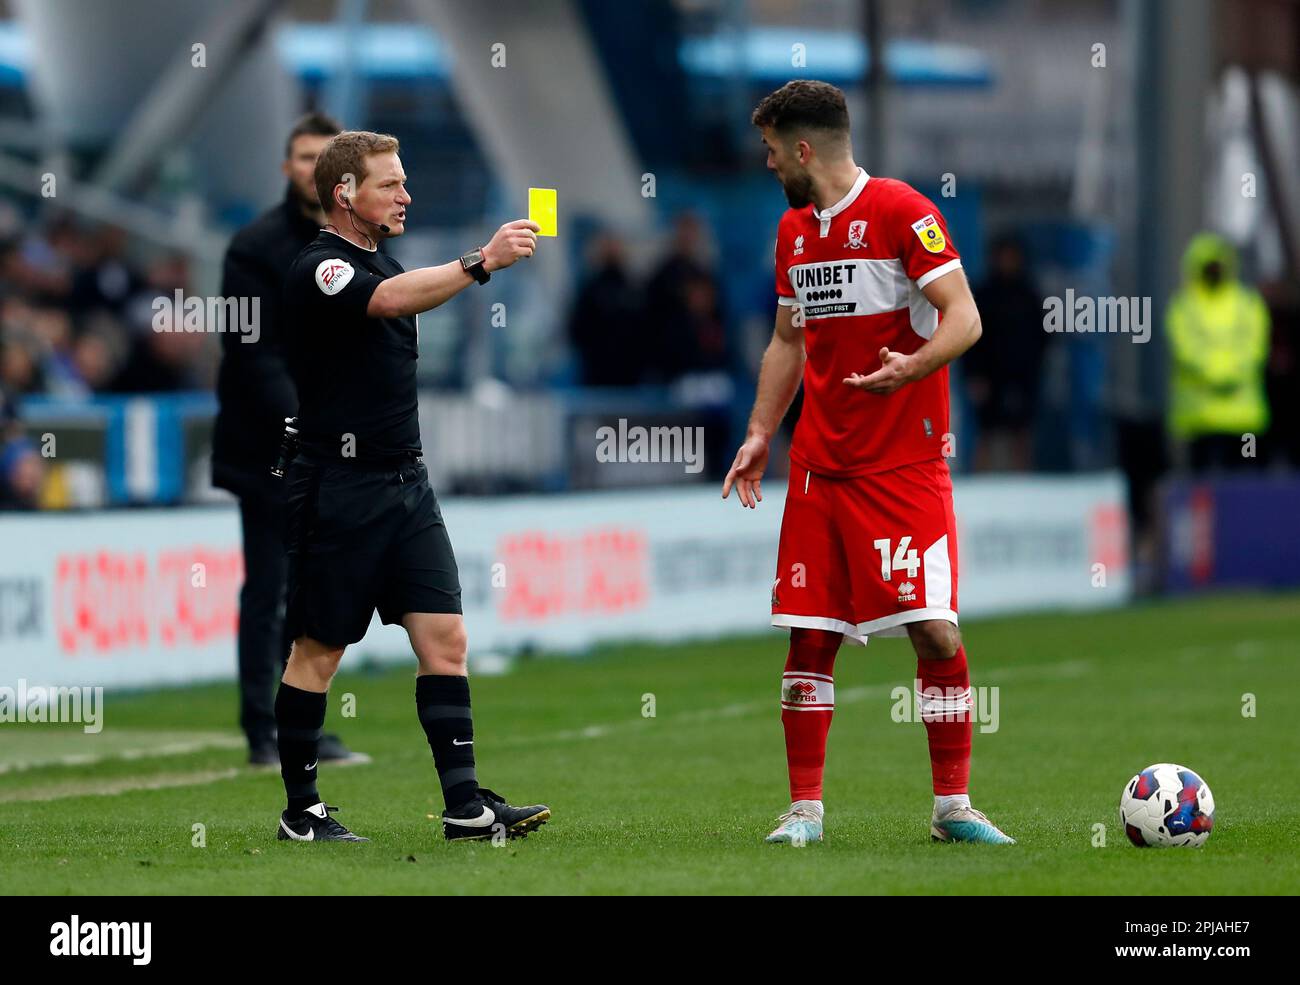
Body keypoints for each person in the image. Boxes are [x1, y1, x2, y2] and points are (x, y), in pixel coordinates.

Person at [723, 80, 1013, 846]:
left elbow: (966, 316)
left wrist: (911, 368)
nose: (767, 162)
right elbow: (787, 342)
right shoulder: (792, 232)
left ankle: (954, 808)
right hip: (821, 467)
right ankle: (804, 812)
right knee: (808, 634)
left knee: (936, 634)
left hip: (904, 467)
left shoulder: (901, 212)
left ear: (804, 148)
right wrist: (760, 431)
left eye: (772, 149)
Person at [275, 130, 548, 842]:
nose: (406, 195)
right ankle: (301, 812)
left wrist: (475, 267)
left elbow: (399, 289)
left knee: (446, 639)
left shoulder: (383, 260)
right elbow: (389, 300)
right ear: (345, 194)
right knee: (319, 650)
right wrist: (481, 260)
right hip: (337, 486)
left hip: (406, 483)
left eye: (403, 182)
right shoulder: (321, 267)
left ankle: (465, 807)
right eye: (390, 185)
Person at [210, 112, 366, 767]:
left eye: (322, 158)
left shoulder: (359, 245)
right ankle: (259, 731)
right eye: (302, 157)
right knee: (269, 588)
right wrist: (312, 422)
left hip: (334, 450)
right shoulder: (253, 247)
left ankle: (302, 728)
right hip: (265, 451)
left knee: (312, 594)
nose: (311, 168)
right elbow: (252, 355)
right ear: (287, 167)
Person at [1166, 233, 1271, 472]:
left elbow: (1255, 347)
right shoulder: (1185, 306)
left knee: (1245, 486)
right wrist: (1224, 373)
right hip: (1200, 420)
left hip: (1243, 420)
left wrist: (1221, 372)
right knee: (1203, 493)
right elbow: (1186, 349)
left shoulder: (1247, 304)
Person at [967, 233, 1046, 471]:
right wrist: (974, 375)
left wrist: (1034, 371)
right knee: (986, 432)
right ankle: (978, 487)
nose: (1007, 262)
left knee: (1021, 432)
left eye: (1012, 257)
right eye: (1003, 257)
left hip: (1022, 376)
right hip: (990, 376)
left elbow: (1042, 337)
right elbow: (969, 338)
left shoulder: (1029, 295)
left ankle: (1024, 487)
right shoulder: (983, 295)